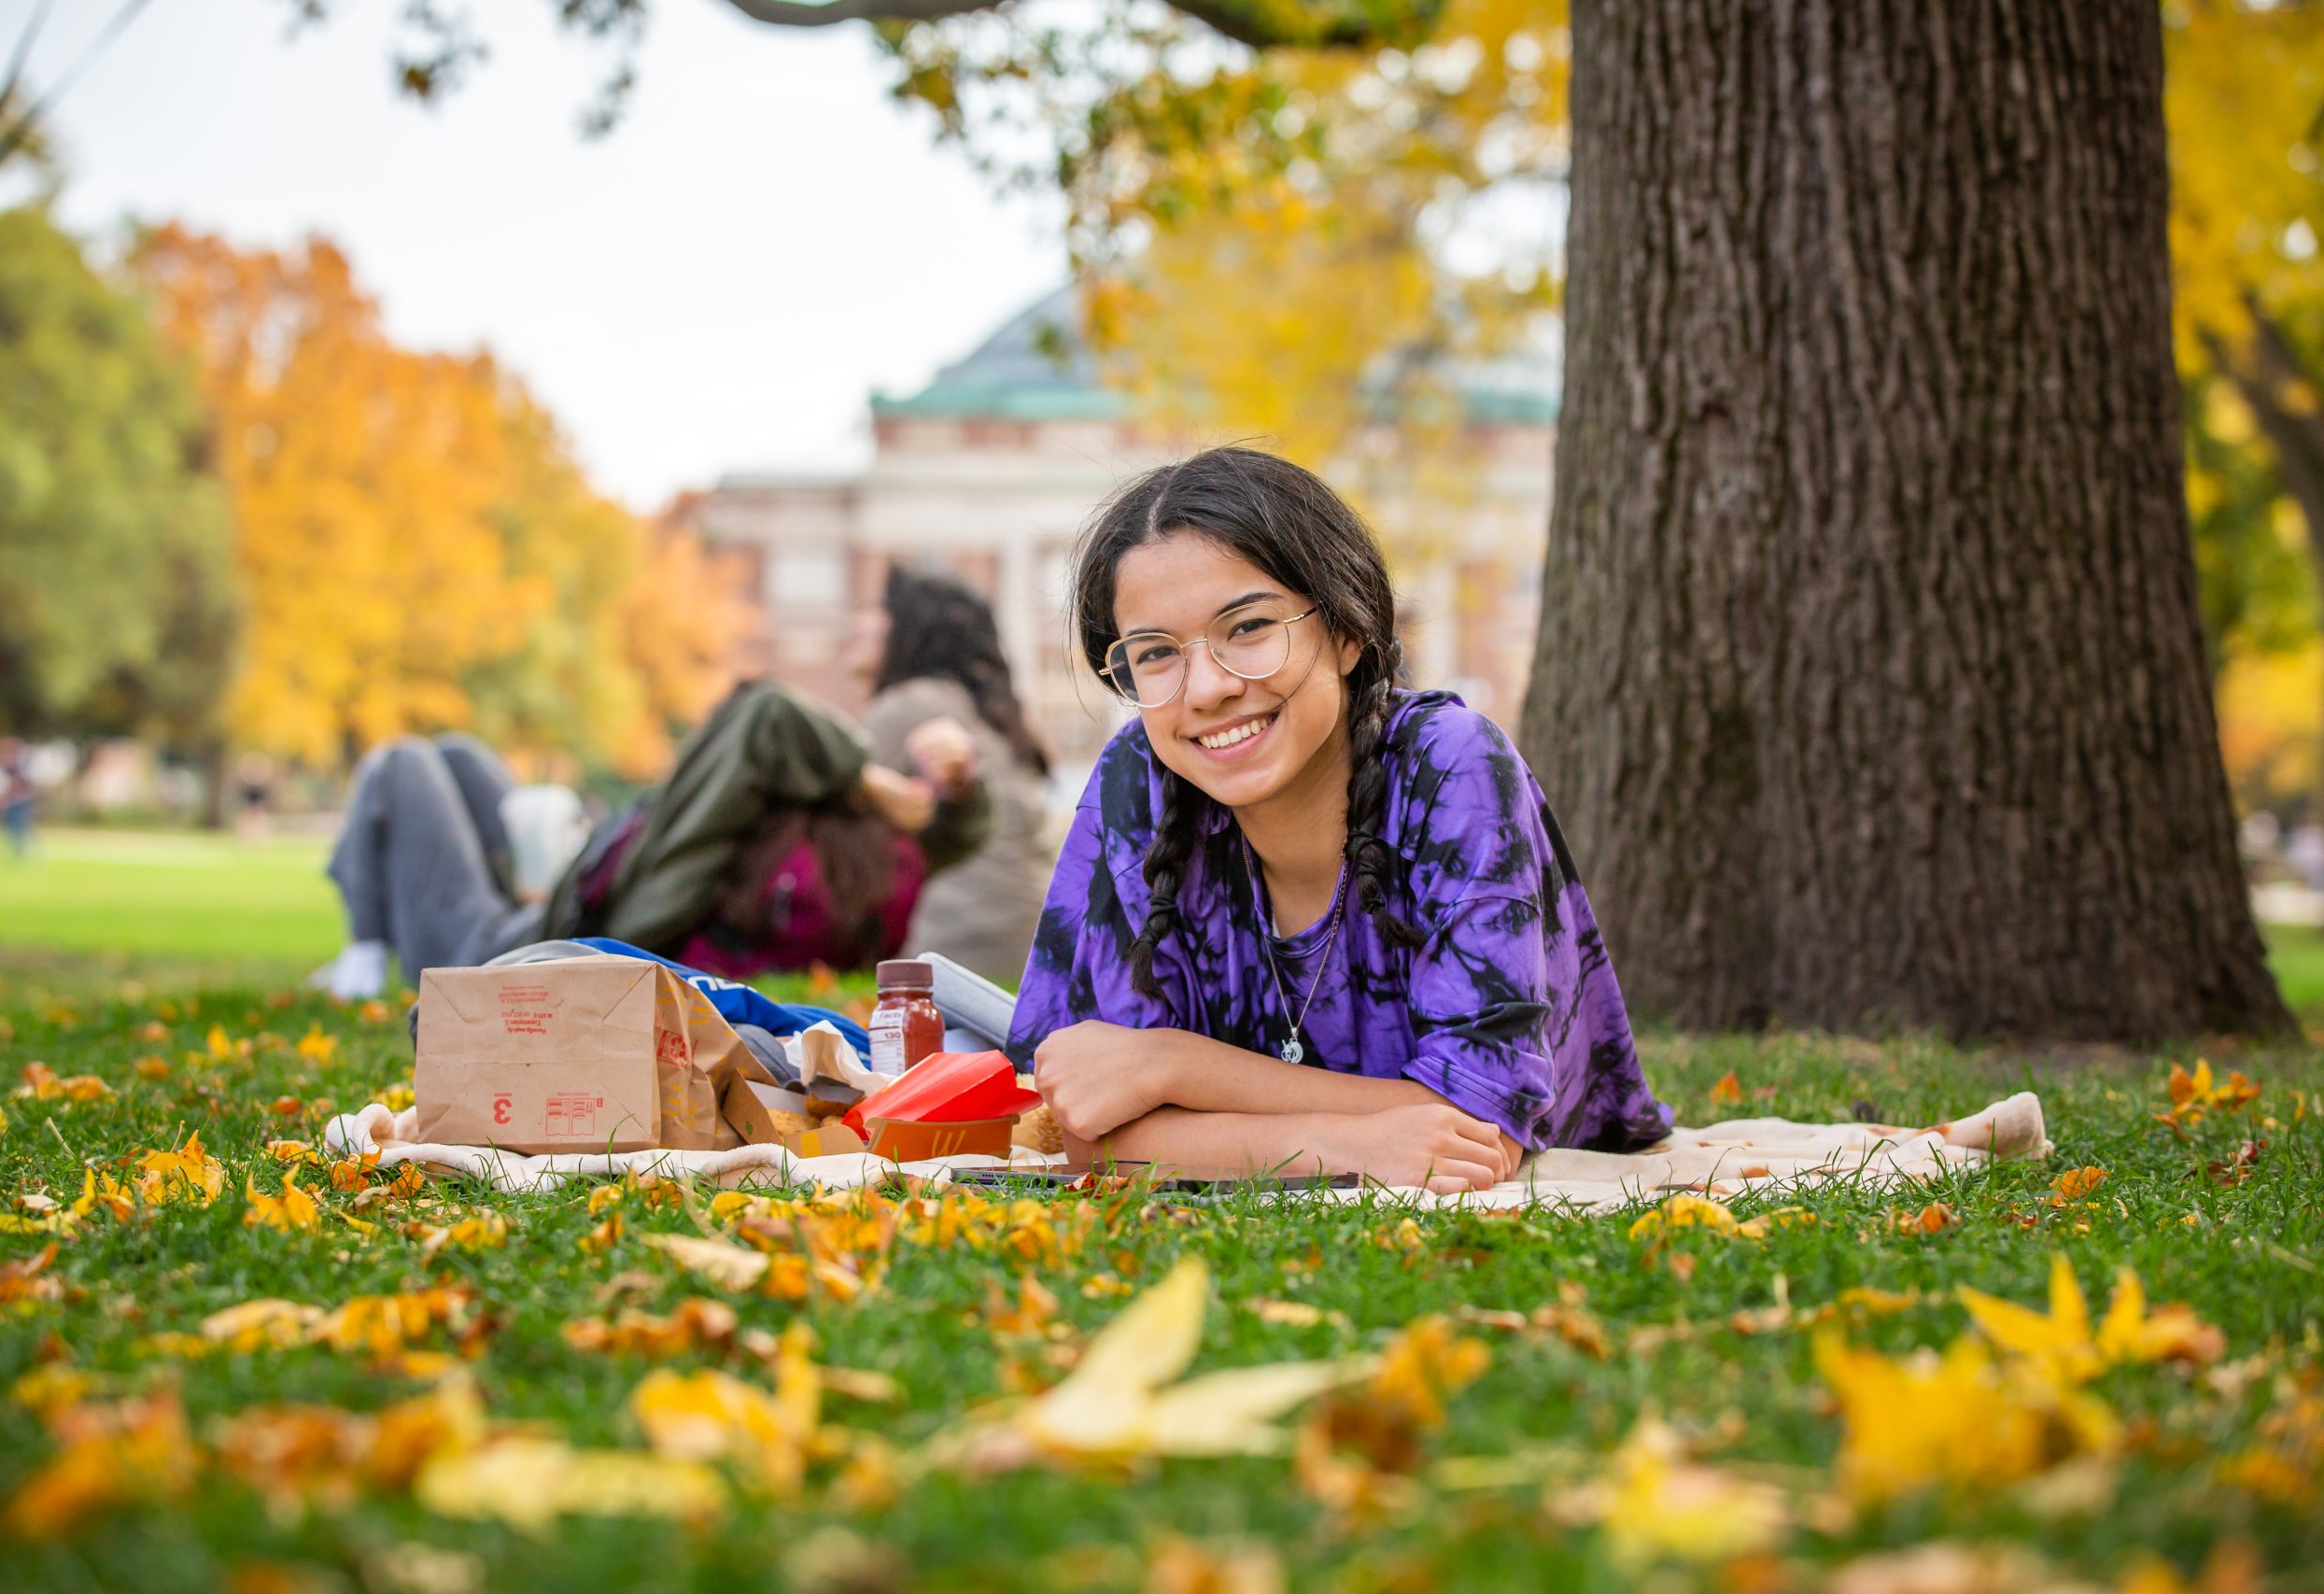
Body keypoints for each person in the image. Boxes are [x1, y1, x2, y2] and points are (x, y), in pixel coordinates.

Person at [1008, 446, 1674, 1193]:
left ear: (1348, 631)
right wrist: (1353, 1143)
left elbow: (1479, 1133)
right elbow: (1085, 1131)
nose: (1207, 689)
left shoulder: (1450, 765)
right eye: (1157, 652)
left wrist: (1173, 1064)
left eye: (1249, 627)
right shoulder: (1140, 780)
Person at [311, 680, 984, 999]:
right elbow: (962, 828)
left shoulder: (729, 832)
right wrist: (955, 786)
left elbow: (768, 714)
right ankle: (363, 946)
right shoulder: (879, 869)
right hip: (577, 913)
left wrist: (866, 777)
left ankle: (365, 949)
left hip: (509, 954)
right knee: (458, 756)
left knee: (406, 763)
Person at [855, 565, 1059, 986]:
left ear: (910, 629)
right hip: (1033, 950)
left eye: (877, 609)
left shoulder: (910, 704)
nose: (858, 622)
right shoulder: (987, 717)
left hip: (952, 957)